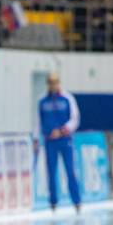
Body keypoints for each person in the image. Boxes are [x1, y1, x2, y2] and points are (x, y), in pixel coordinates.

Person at [38, 73, 81, 212]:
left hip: (64, 140)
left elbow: (75, 119)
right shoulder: (42, 101)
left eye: (55, 82)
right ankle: (53, 202)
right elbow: (37, 121)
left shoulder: (68, 98)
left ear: (59, 83)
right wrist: (36, 138)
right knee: (51, 172)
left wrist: (62, 131)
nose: (53, 85)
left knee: (70, 170)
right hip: (50, 141)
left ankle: (76, 201)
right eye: (50, 83)